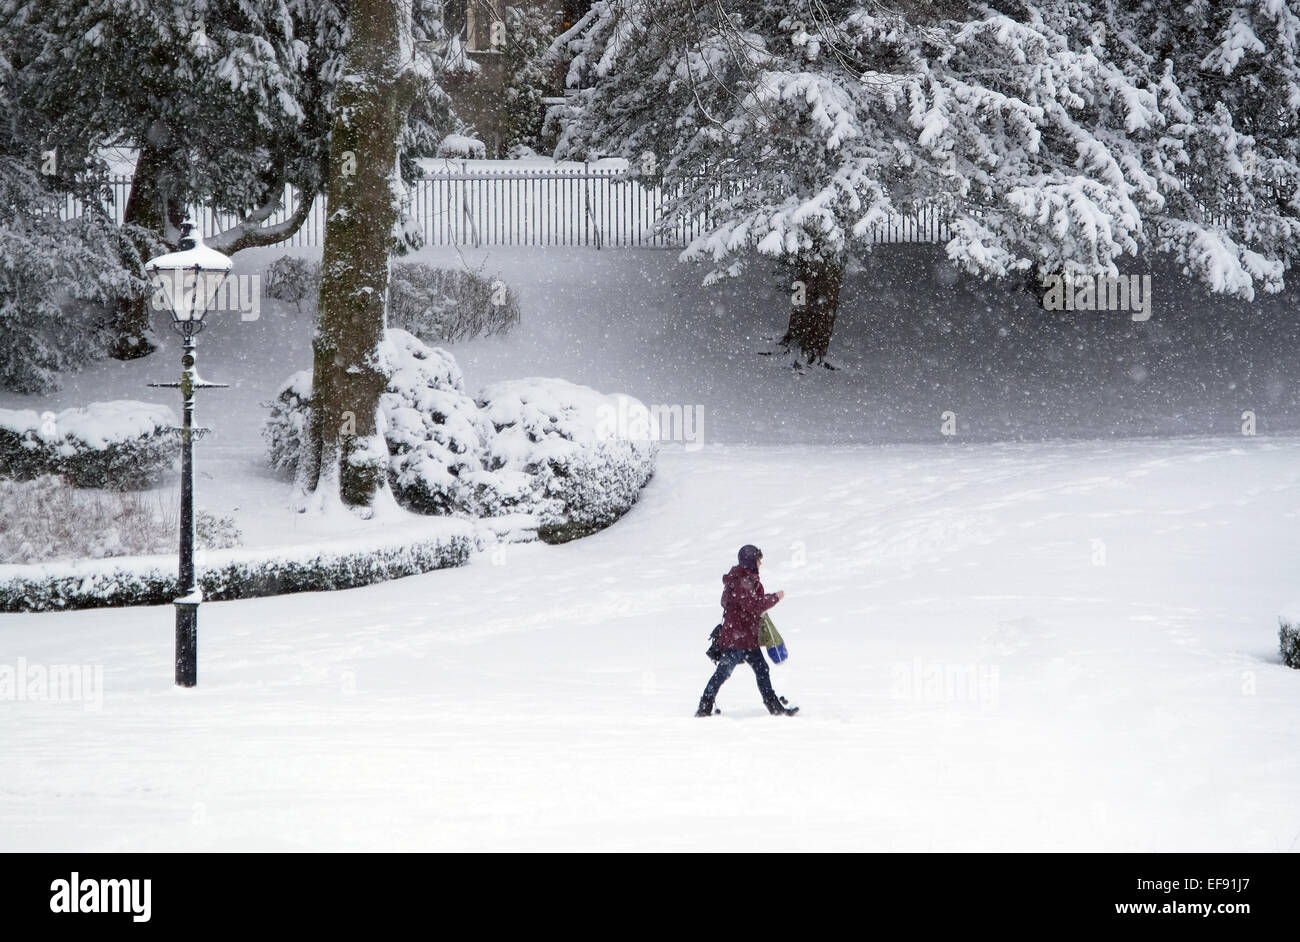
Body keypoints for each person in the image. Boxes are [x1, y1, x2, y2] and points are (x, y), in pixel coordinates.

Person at [696, 545, 798, 716]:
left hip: (747, 638)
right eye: (758, 560)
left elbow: (730, 602)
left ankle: (774, 707)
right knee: (723, 673)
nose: (760, 563)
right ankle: (704, 706)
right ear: (750, 561)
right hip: (736, 640)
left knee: (762, 669)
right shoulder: (741, 581)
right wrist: (775, 597)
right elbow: (755, 605)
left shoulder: (743, 579)